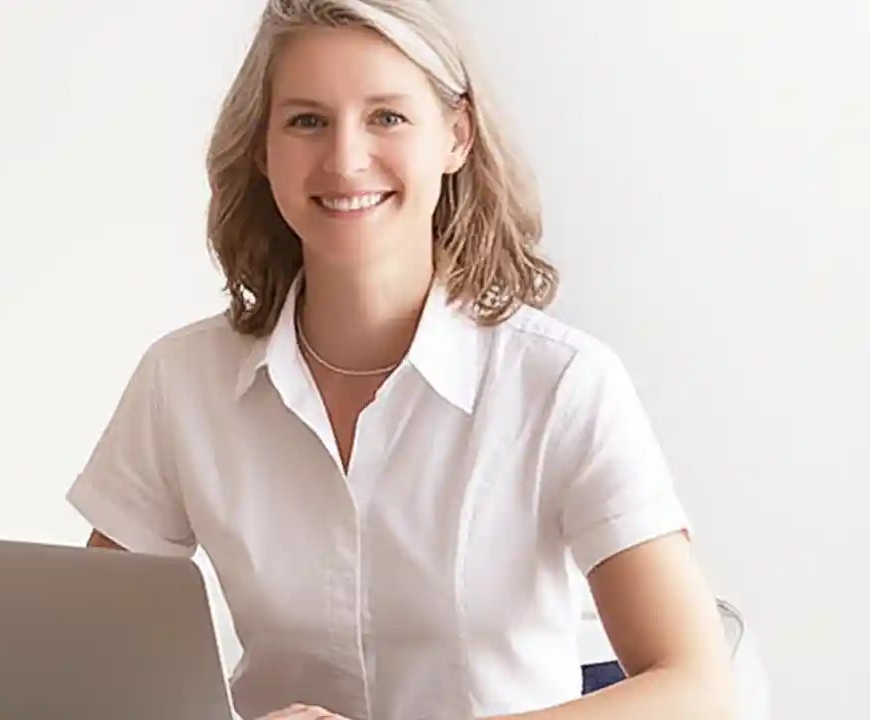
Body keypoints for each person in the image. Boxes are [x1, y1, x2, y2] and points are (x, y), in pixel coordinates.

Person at [66, 1, 735, 718]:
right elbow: (89, 663)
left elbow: (696, 688)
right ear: (262, 148)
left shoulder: (562, 383)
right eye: (307, 120)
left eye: (386, 116)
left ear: (456, 135)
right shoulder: (182, 381)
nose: (346, 158)